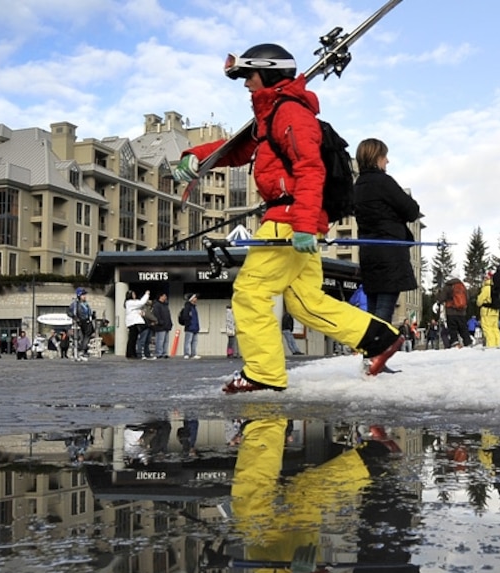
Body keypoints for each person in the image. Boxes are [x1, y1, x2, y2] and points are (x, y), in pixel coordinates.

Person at [172, 43, 403, 391]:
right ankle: (380, 340)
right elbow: (236, 149)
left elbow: (310, 170)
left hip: (290, 217)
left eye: (249, 75)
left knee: (251, 292)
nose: (246, 84)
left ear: (267, 72)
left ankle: (263, 373)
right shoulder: (271, 116)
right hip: (295, 217)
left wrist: (305, 225)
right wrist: (195, 156)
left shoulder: (290, 114)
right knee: (305, 301)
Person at [353, 138, 422, 324]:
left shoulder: (358, 186)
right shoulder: (383, 182)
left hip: (369, 253)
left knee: (374, 309)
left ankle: (371, 349)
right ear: (377, 158)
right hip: (389, 253)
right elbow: (411, 210)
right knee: (384, 311)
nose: (387, 161)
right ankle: (378, 347)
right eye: (385, 157)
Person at [440, 278, 471, 348]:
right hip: (462, 312)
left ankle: (455, 342)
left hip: (451, 311)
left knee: (452, 328)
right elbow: (467, 298)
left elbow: (442, 297)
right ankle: (467, 342)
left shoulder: (448, 286)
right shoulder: (462, 286)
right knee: (463, 328)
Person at [69, 287, 95, 361]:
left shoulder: (86, 304)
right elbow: (69, 312)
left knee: (87, 335)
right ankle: (82, 350)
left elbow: (88, 313)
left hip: (87, 321)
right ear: (79, 295)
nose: (84, 296)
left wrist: (92, 316)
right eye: (83, 295)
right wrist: (75, 317)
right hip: (81, 322)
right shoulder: (75, 304)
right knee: (83, 336)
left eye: (85, 295)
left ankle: (83, 350)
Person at [476, 272, 500, 348]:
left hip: (487, 312)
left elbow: (479, 301)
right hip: (495, 312)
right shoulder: (496, 288)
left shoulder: (486, 288)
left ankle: (491, 346)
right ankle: (498, 344)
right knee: (495, 329)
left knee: (487, 329)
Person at [124, 289, 149, 359]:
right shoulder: (130, 302)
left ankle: (132, 353)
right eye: (133, 294)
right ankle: (130, 353)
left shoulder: (130, 303)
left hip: (133, 322)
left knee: (133, 338)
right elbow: (141, 303)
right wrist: (146, 295)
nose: (135, 295)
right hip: (133, 322)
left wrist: (141, 312)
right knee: (132, 339)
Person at [177, 293, 200, 358]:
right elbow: (185, 316)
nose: (196, 299)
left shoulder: (194, 307)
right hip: (190, 326)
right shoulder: (187, 306)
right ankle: (186, 353)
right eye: (195, 297)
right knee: (188, 341)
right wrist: (188, 323)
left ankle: (193, 353)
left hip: (195, 327)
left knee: (194, 342)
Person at [152, 292, 174, 358]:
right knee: (160, 340)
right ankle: (159, 353)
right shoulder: (157, 305)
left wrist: (170, 323)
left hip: (166, 325)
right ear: (160, 297)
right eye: (164, 296)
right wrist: (160, 322)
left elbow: (168, 315)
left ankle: (165, 353)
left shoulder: (165, 305)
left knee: (166, 340)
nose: (165, 297)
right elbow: (156, 315)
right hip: (160, 326)